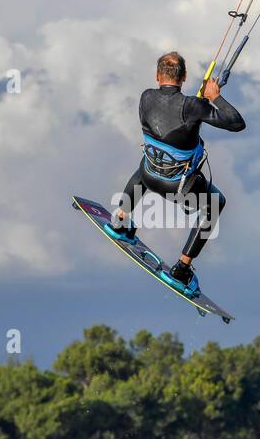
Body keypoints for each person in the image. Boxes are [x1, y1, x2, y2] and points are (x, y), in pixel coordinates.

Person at [105, 51, 245, 293]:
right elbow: (236, 123)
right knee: (217, 202)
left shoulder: (146, 97)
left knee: (150, 157)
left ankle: (119, 219)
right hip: (179, 187)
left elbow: (170, 121)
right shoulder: (194, 106)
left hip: (148, 177)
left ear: (158, 75)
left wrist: (198, 106)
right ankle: (182, 268)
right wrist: (215, 98)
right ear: (184, 77)